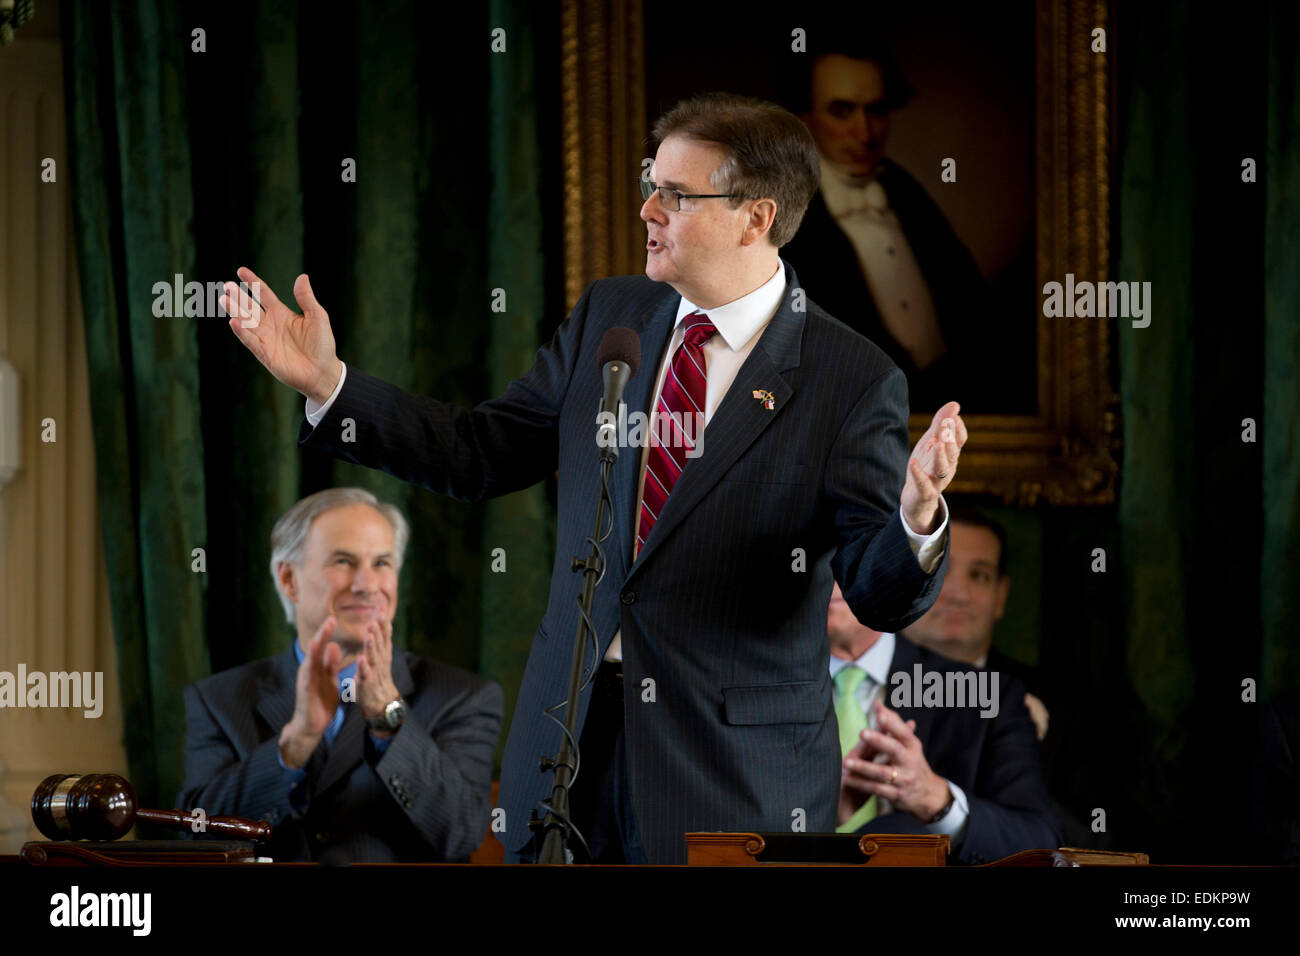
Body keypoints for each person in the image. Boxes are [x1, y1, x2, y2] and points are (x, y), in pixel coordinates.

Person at [221, 92, 968, 865]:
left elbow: (878, 594)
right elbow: (481, 451)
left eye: (676, 195)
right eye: (652, 182)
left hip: (729, 775)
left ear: (756, 217)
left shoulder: (849, 377)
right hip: (564, 749)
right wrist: (329, 384)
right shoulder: (614, 315)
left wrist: (915, 517)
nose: (649, 208)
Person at [178, 488, 503, 863]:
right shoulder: (218, 698)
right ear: (288, 580)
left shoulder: (463, 697)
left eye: (382, 563)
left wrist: (388, 717)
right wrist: (296, 742)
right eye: (344, 561)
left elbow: (461, 835)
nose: (367, 585)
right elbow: (198, 837)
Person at [781, 43, 989, 413]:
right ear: (807, 117)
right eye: (842, 112)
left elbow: (971, 308)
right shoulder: (785, 217)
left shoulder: (908, 193)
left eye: (875, 111)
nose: (864, 133)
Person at [828, 583, 1059, 864]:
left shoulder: (987, 696)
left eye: (841, 548)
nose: (828, 574)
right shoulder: (759, 696)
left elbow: (1041, 845)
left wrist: (935, 800)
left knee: (900, 833)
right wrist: (822, 814)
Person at [900, 507, 1049, 739]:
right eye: (939, 570)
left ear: (1001, 596)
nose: (959, 595)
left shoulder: (1054, 703)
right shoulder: (848, 687)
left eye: (979, 576)